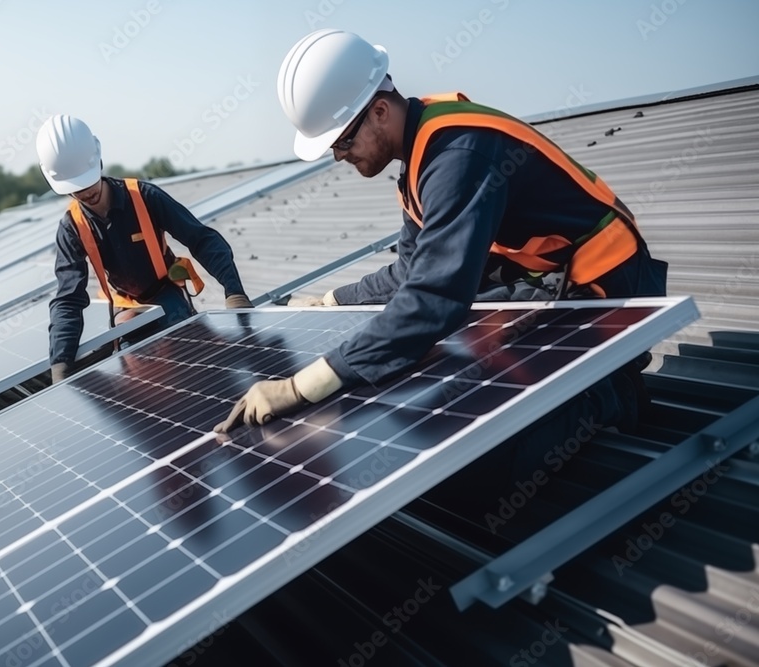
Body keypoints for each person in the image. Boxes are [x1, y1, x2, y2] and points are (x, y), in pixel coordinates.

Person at [215, 28, 666, 435]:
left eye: (342, 141)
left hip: (607, 277)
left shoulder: (457, 155)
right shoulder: (419, 160)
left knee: (536, 414)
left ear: (378, 111)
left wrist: (300, 387)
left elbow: (435, 297)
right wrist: (332, 300)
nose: (338, 157)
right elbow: (410, 272)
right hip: (552, 276)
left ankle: (616, 393)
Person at [37, 115, 253, 383]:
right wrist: (60, 361)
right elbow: (68, 298)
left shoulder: (144, 196)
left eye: (88, 181)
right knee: (142, 381)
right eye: (76, 188)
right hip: (126, 305)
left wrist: (234, 292)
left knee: (196, 366)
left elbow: (202, 239)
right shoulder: (71, 227)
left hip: (166, 293)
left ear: (99, 161)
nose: (85, 193)